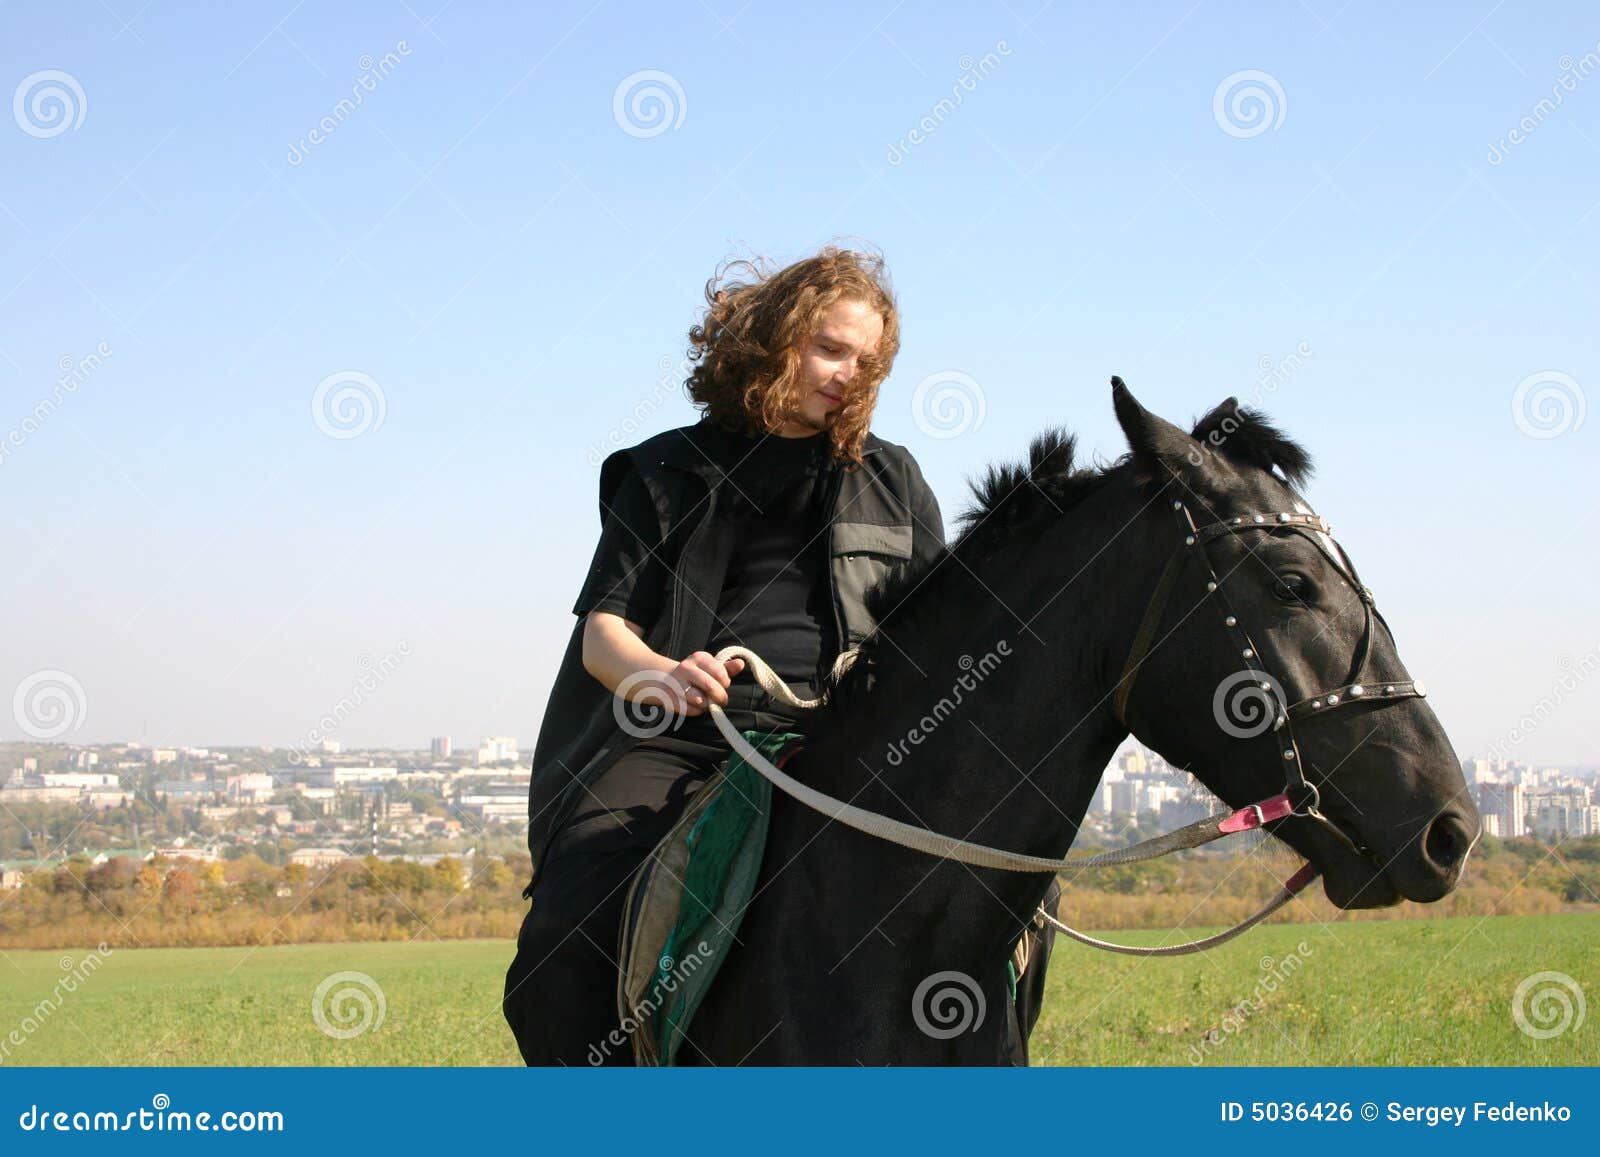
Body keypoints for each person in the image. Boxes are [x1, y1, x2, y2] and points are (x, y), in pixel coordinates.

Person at [504, 246, 1020, 1065]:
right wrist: (664, 674)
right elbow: (602, 635)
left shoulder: (894, 477)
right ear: (775, 336)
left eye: (867, 359)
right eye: (830, 347)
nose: (848, 373)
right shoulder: (665, 469)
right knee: (569, 929)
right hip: (683, 735)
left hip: (853, 735)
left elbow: (938, 641)